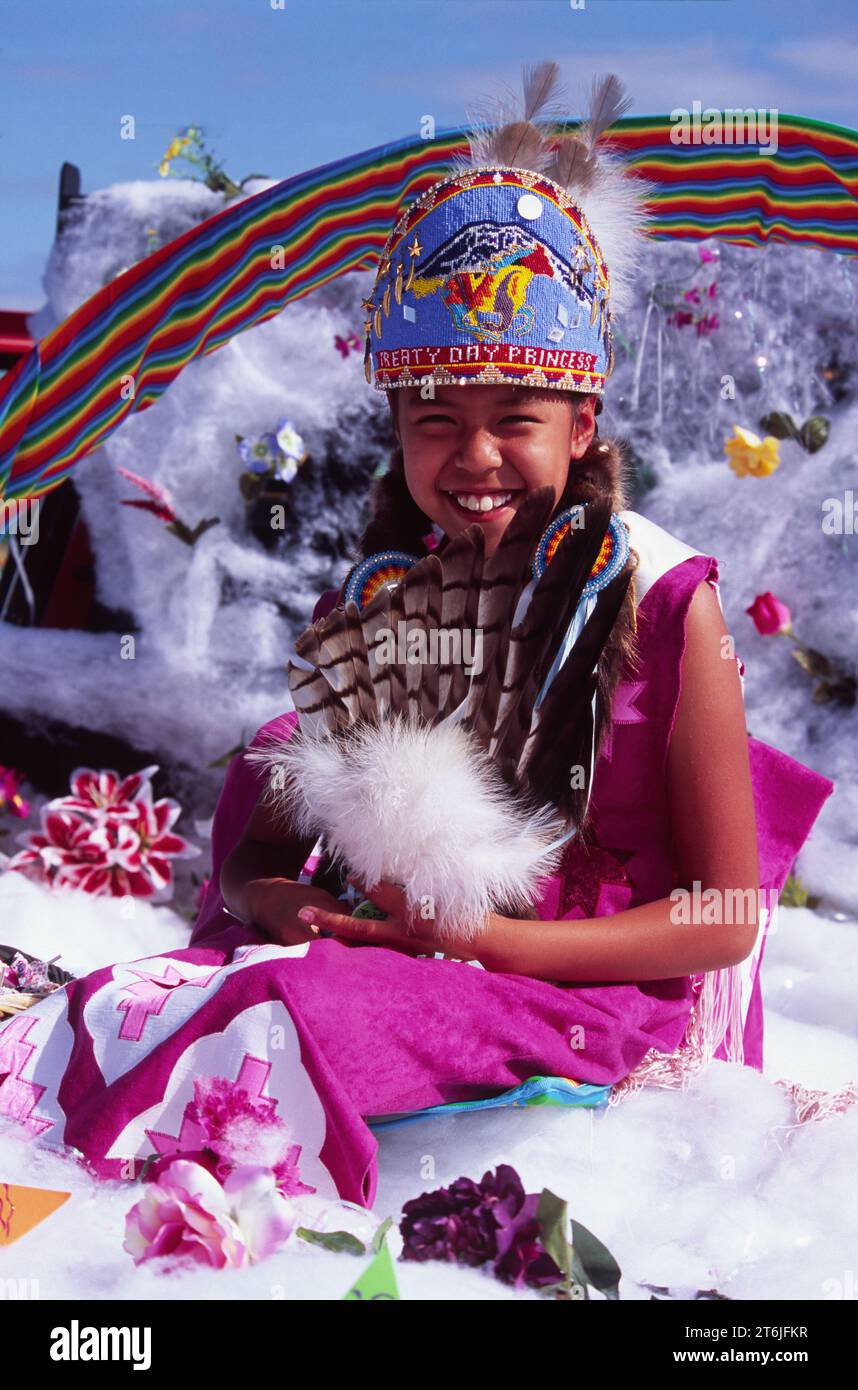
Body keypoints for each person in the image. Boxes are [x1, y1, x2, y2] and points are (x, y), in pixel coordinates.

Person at [0, 67, 834, 1209]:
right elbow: (256, 857)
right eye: (436, 420)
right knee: (112, 1001)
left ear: (581, 423)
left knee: (267, 1023)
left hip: (585, 1004)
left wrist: (493, 940)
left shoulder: (664, 598)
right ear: (396, 429)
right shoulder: (374, 604)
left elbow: (725, 914)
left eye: (515, 421)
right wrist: (273, 905)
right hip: (379, 961)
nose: (474, 456)